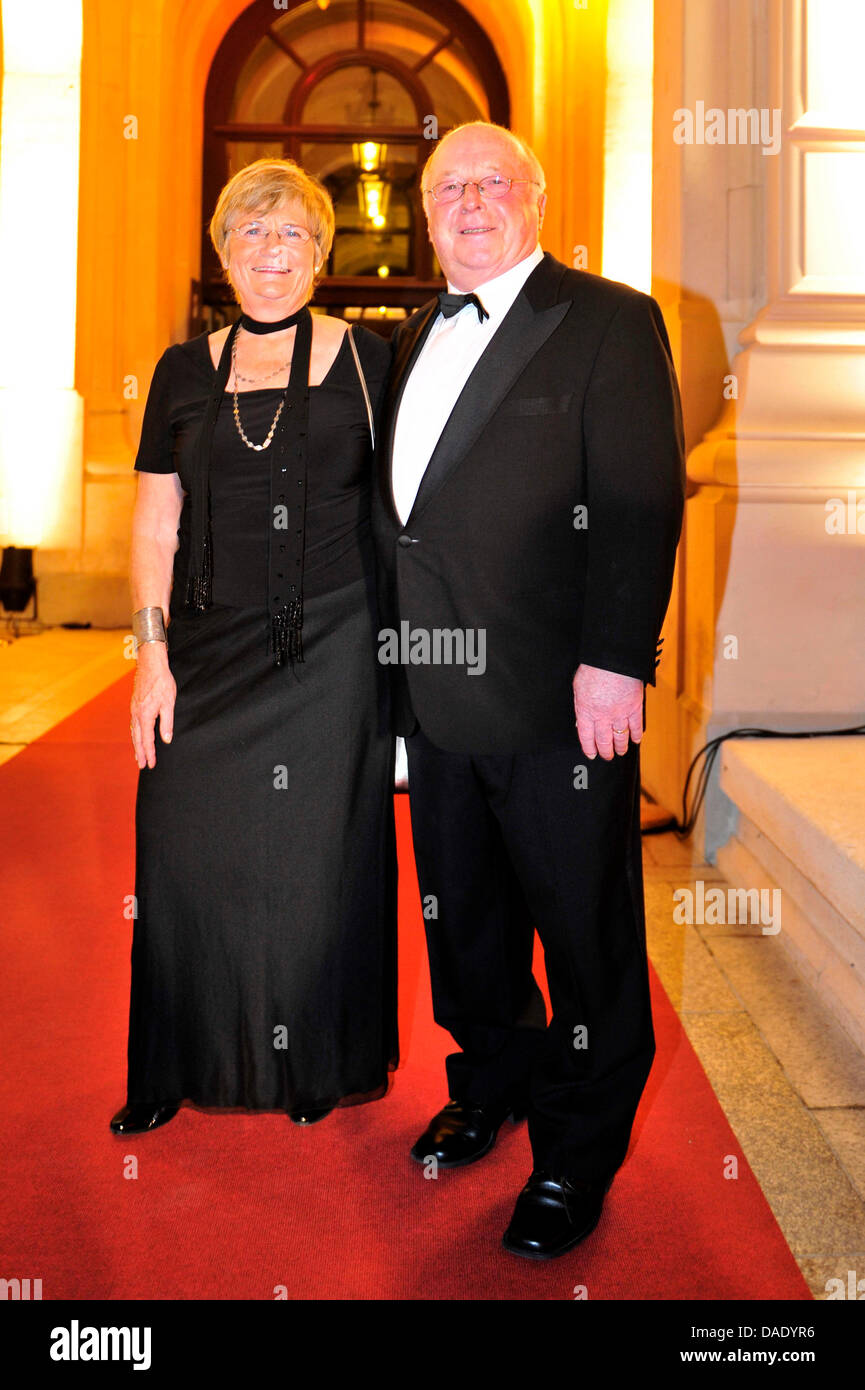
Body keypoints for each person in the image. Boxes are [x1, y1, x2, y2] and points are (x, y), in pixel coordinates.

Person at [372, 122, 685, 1258]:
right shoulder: (408, 333)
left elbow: (642, 505)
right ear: (423, 207)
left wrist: (616, 661)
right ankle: (491, 1081)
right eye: (445, 185)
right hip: (435, 695)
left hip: (560, 698)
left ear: (534, 201)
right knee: (467, 923)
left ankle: (574, 1155)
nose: (466, 201)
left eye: (490, 182)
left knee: (583, 931)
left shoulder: (605, 319)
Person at [111, 158, 397, 1136]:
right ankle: (170, 1063)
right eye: (250, 234)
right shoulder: (183, 372)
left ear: (320, 255)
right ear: (222, 252)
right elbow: (154, 523)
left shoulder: (373, 361)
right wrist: (150, 653)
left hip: (335, 647)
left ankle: (310, 1060)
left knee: (315, 864)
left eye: (292, 237)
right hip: (208, 645)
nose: (271, 254)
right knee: (183, 853)